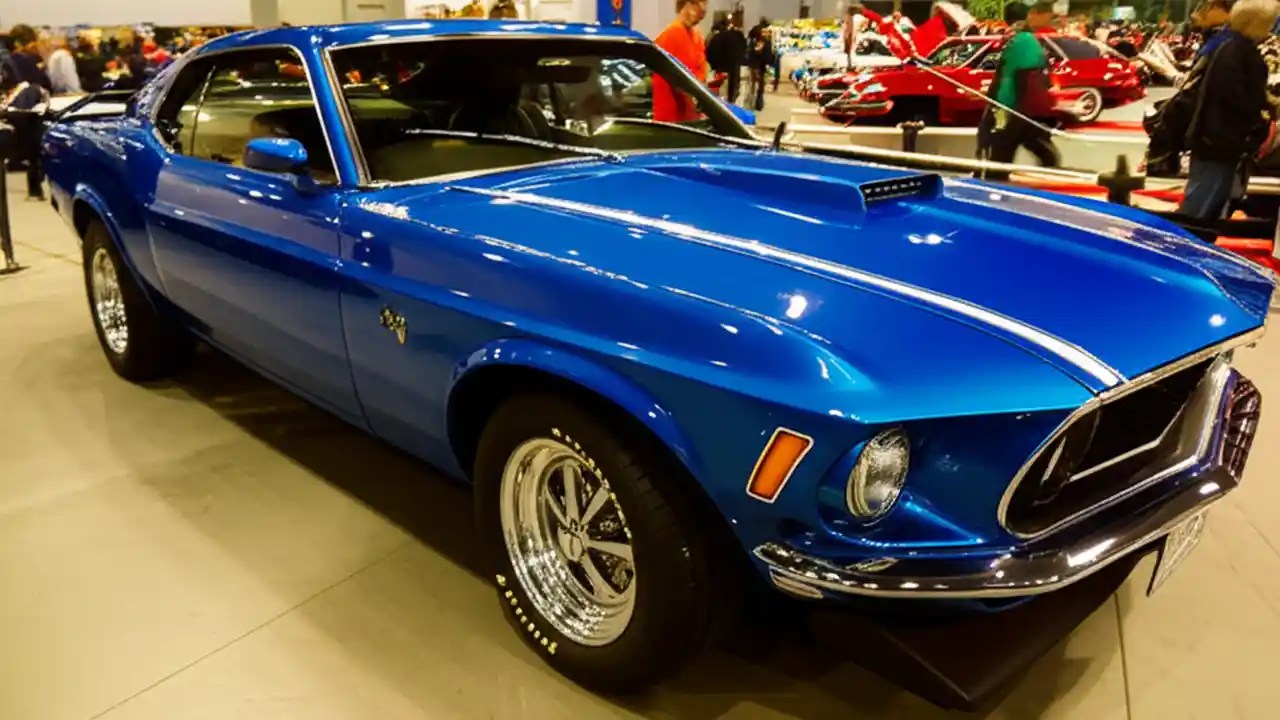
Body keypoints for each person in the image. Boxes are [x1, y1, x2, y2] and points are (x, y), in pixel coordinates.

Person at [1179, 0, 1279, 220]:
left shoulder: (1226, 44)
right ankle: (1180, 249)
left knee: (1207, 203)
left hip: (1215, 138)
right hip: (1218, 141)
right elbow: (1235, 98)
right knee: (1201, 209)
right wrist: (1263, 113)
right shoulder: (1239, 51)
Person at [980, 2, 1060, 175]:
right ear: (1032, 14)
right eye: (1048, 16)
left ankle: (997, 184)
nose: (1049, 21)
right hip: (1013, 106)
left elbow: (1004, 75)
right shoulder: (1025, 41)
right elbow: (1019, 77)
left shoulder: (1018, 40)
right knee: (1006, 149)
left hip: (1009, 106)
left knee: (1002, 151)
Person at [653, 0, 708, 123]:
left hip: (688, 118)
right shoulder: (672, 35)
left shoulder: (696, 36)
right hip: (672, 120)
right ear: (687, 5)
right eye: (699, 8)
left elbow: (698, 76)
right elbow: (683, 82)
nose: (701, 16)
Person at [706, 18, 746, 103]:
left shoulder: (717, 38)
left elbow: (710, 54)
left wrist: (713, 66)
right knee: (731, 94)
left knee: (721, 97)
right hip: (735, 69)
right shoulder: (737, 37)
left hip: (721, 70)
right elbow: (743, 51)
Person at [747, 26, 773, 111]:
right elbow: (764, 54)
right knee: (759, 86)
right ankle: (758, 103)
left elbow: (752, 52)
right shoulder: (762, 41)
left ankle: (755, 103)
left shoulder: (755, 41)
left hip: (754, 65)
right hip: (759, 66)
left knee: (754, 85)